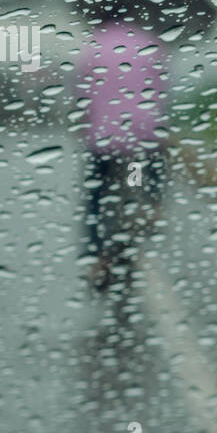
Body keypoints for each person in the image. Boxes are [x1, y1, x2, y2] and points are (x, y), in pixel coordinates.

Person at [74, 17, 171, 291]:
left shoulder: (94, 46)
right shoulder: (152, 44)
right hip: (141, 136)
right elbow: (162, 92)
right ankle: (150, 205)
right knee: (138, 177)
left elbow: (82, 92)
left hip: (103, 138)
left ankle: (99, 259)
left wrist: (84, 122)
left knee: (95, 196)